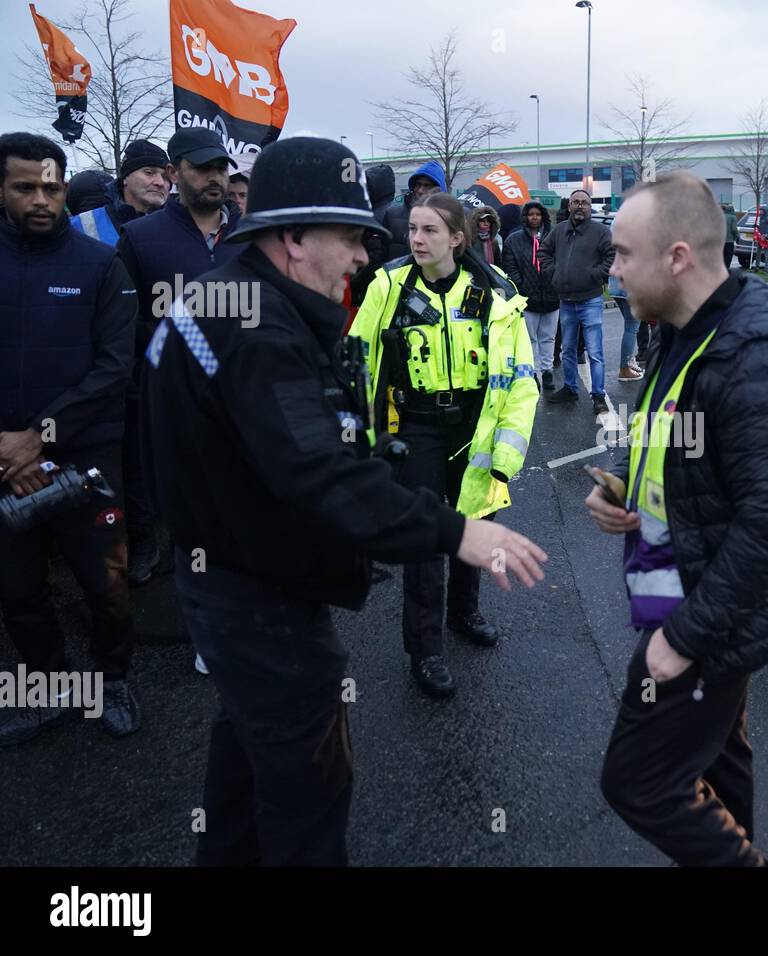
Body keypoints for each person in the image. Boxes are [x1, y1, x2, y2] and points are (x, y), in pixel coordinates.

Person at [140, 137, 546, 865]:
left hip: (231, 581)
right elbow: (320, 476)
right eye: (353, 238)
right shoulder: (258, 329)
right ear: (293, 237)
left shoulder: (218, 300)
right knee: (308, 799)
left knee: (242, 780)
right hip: (264, 605)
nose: (366, 257)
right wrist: (458, 533)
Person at [586, 171, 768, 866]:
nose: (614, 270)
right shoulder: (681, 327)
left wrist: (683, 639)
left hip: (713, 612)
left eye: (624, 254)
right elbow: (670, 431)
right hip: (690, 586)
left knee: (637, 781)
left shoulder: (757, 356)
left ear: (678, 256)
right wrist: (627, 486)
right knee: (719, 756)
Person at [350, 193, 539, 699]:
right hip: (416, 425)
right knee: (426, 540)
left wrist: (505, 454)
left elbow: (523, 379)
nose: (416, 239)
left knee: (475, 522)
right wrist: (364, 445)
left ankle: (463, 613)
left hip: (474, 425)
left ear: (457, 237)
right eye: (412, 229)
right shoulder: (388, 288)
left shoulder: (495, 295)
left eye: (430, 230)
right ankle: (425, 649)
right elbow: (359, 364)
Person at [0, 132, 140, 746]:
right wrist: (8, 448)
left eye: (52, 187)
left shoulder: (99, 264)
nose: (41, 199)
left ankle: (113, 681)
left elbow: (114, 367)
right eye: (25, 187)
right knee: (18, 590)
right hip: (2, 461)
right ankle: (49, 691)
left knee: (106, 584)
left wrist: (40, 439)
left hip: (84, 456)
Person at [116, 128, 241, 596]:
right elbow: (122, 327)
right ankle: (203, 621)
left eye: (221, 168)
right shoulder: (140, 238)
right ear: (174, 173)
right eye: (202, 167)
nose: (215, 177)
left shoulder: (250, 237)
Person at [540, 188, 614, 415]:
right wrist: (554, 273)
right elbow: (544, 251)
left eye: (584, 203)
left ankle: (598, 395)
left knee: (594, 352)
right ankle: (570, 388)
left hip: (590, 299)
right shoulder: (560, 230)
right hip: (566, 300)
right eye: (576, 202)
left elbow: (612, 256)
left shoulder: (601, 231)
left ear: (590, 207)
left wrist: (596, 274)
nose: (580, 206)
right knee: (568, 349)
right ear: (569, 206)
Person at [502, 200, 560, 390]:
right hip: (527, 298)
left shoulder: (553, 237)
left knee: (548, 337)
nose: (534, 217)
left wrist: (555, 283)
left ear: (543, 216)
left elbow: (560, 261)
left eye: (538, 214)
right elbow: (510, 267)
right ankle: (533, 372)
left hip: (551, 296)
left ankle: (547, 371)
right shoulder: (514, 240)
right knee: (530, 339)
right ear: (525, 217)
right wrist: (522, 286)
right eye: (531, 214)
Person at [69, 139, 170, 246]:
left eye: (166, 177)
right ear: (125, 177)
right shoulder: (80, 225)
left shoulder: (180, 224)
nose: (160, 183)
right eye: (149, 173)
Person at [349, 163, 397, 309]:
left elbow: (374, 259)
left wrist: (354, 284)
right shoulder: (396, 211)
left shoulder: (374, 217)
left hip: (371, 287)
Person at [379, 160, 446, 261]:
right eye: (417, 185)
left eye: (426, 185)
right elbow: (382, 253)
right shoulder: (392, 214)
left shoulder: (450, 216)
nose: (420, 190)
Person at [609, 268, 642, 381]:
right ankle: (624, 368)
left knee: (630, 326)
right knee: (631, 328)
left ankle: (629, 361)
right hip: (630, 286)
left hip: (615, 284)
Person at [754, 204, 768, 271]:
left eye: (762, 210)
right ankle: (757, 266)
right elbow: (759, 226)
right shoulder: (761, 217)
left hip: (766, 238)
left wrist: (767, 236)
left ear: (765, 211)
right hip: (760, 237)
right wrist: (756, 227)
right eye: (760, 210)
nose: (760, 211)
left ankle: (766, 268)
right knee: (758, 253)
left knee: (766, 254)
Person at [721, 201, 738, 271]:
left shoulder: (722, 216)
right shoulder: (733, 217)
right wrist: (736, 237)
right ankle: (726, 270)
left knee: (723, 255)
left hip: (722, 240)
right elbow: (734, 229)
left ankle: (722, 269)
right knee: (729, 256)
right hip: (729, 240)